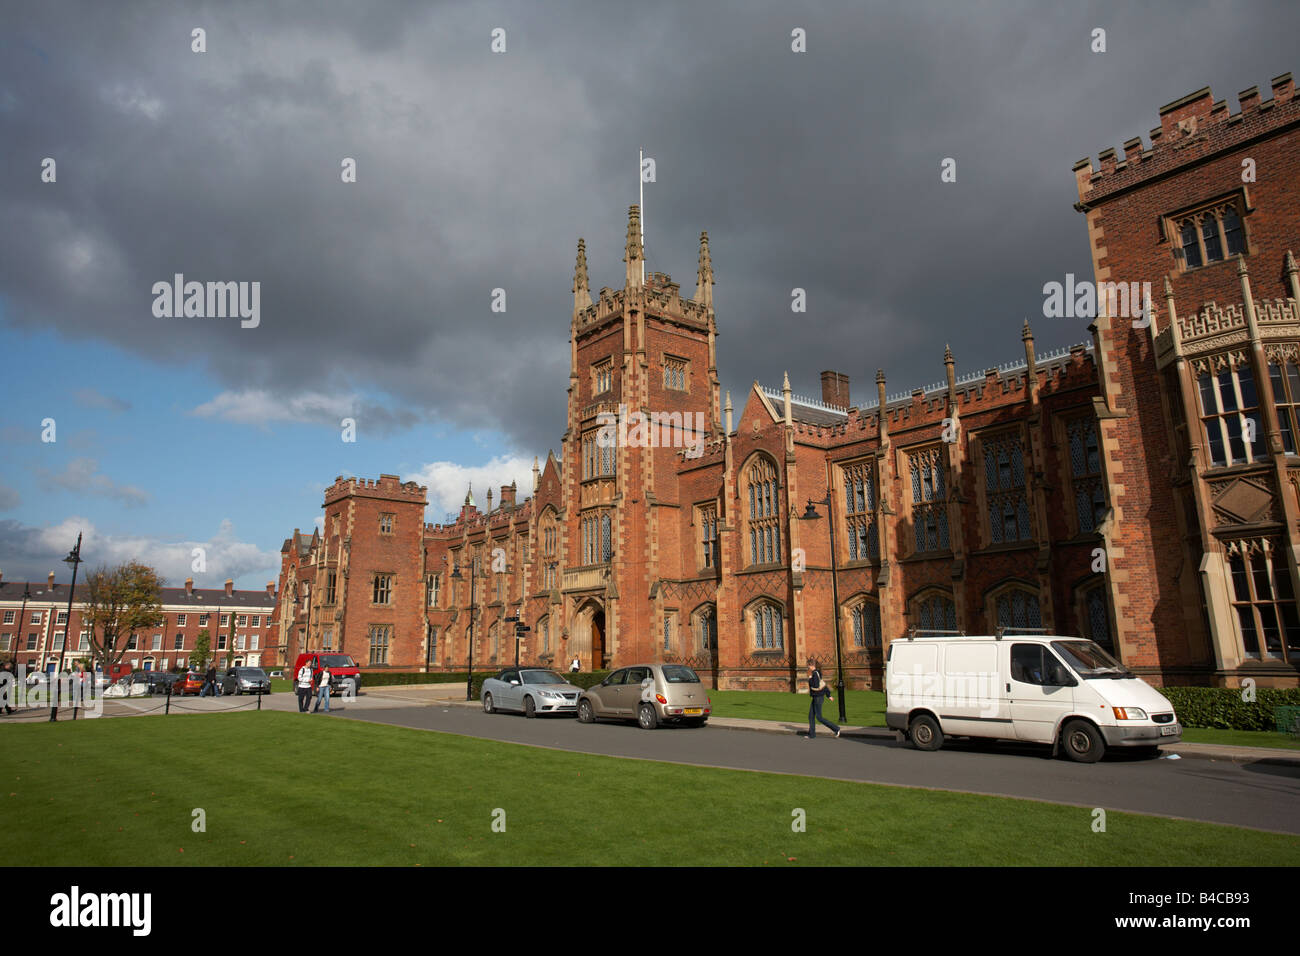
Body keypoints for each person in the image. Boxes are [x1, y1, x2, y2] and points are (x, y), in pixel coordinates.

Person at [806, 659, 841, 739]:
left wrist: (810, 679)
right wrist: (829, 695)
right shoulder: (818, 673)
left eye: (808, 665)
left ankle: (836, 728)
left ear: (812, 665)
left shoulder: (815, 674)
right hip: (817, 697)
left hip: (818, 697)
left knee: (819, 717)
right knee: (811, 716)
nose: (808, 667)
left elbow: (815, 685)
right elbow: (823, 685)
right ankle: (812, 734)